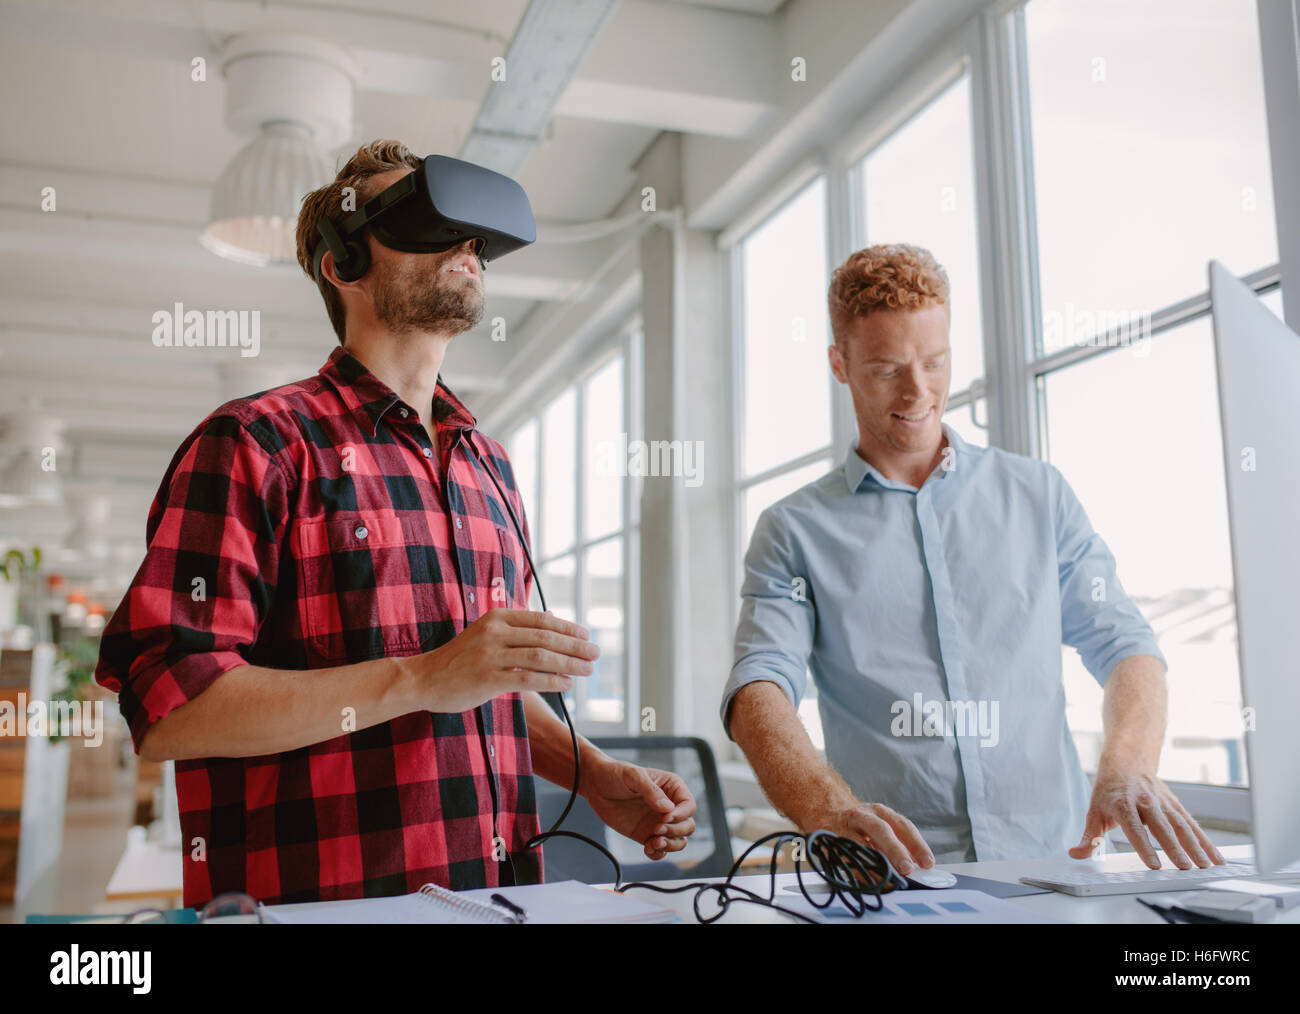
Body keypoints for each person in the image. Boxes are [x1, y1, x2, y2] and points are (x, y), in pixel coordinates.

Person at [96, 139, 695, 907]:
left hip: (498, 898)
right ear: (342, 264)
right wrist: (421, 677)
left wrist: (596, 776)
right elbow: (170, 705)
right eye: (425, 223)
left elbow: (484, 684)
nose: (468, 246)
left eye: (474, 234)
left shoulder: (488, 466)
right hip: (322, 905)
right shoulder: (258, 444)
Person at [721, 242, 1225, 878]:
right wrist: (826, 809)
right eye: (886, 369)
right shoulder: (793, 530)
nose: (918, 390)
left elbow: (1126, 644)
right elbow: (759, 687)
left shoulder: (1040, 496)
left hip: (1054, 865)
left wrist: (1127, 764)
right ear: (839, 364)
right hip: (893, 881)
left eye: (935, 362)